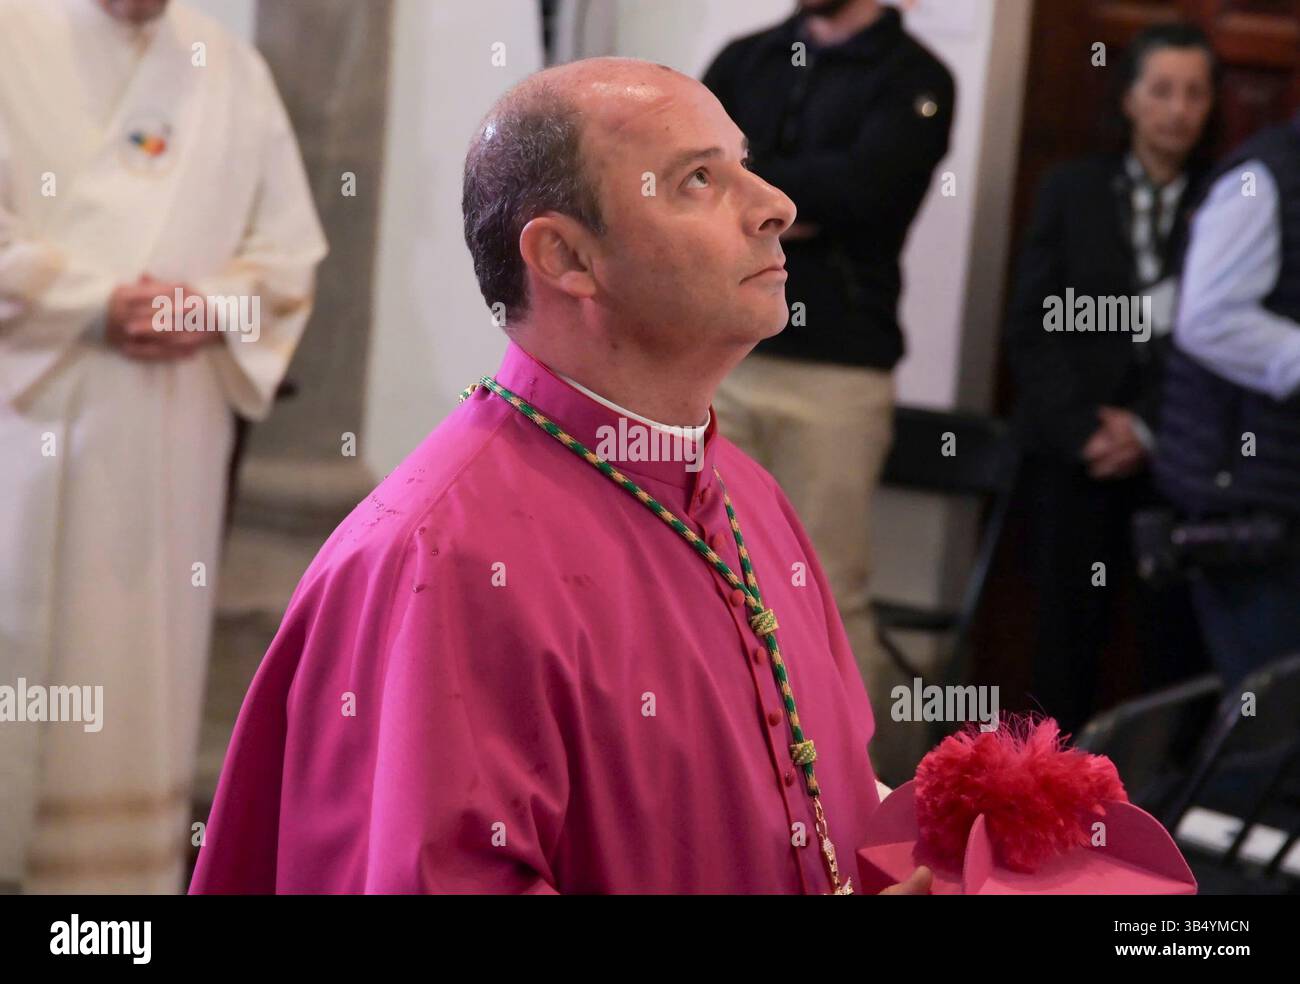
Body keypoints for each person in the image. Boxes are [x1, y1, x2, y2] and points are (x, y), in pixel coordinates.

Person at [190, 57, 929, 895]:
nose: (776, 206)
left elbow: (816, 795)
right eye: (698, 179)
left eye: (745, 164)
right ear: (567, 257)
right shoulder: (444, 557)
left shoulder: (752, 495)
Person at [0, 0, 326, 892]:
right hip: (22, 416)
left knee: (137, 666)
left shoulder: (230, 71)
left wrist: (204, 308)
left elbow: (288, 260)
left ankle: (110, 904)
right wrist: (92, 302)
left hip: (168, 423)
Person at [700, 0, 954, 774]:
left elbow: (863, 195)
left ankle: (855, 800)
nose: (768, 210)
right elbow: (692, 178)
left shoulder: (916, 77)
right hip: (722, 358)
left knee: (825, 591)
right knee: (702, 583)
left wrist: (745, 195)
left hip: (838, 371)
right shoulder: (746, 58)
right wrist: (765, 198)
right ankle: (725, 780)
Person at [1004, 24, 1217, 734]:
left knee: (1173, 648)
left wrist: (1148, 426)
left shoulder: (1227, 202)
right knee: (1063, 641)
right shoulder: (1074, 189)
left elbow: (1218, 343)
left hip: (1179, 457)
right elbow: (1033, 322)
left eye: (1194, 92)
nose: (1177, 110)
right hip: (1077, 454)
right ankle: (1048, 804)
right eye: (1161, 90)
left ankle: (1160, 815)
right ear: (1128, 98)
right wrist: (1086, 429)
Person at [1155, 106, 1300, 686]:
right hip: (1248, 507)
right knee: (1268, 736)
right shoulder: (1263, 179)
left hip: (1282, 497)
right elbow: (1208, 320)